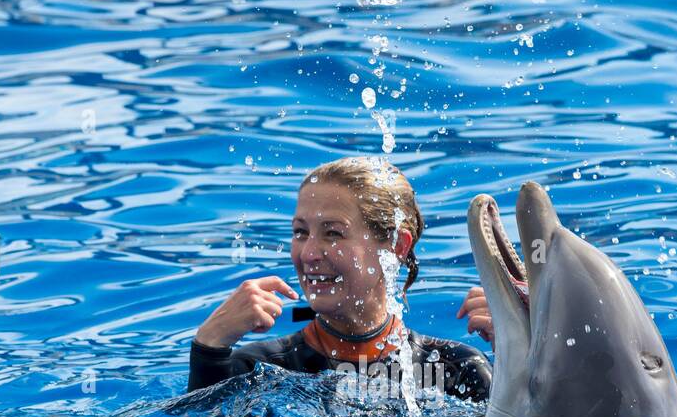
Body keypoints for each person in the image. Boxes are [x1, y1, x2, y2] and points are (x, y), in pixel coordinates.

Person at [187, 156, 495, 402]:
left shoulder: (457, 370)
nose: (308, 254)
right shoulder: (258, 370)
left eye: (333, 233)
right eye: (300, 232)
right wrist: (209, 346)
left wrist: (521, 357)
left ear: (396, 247)